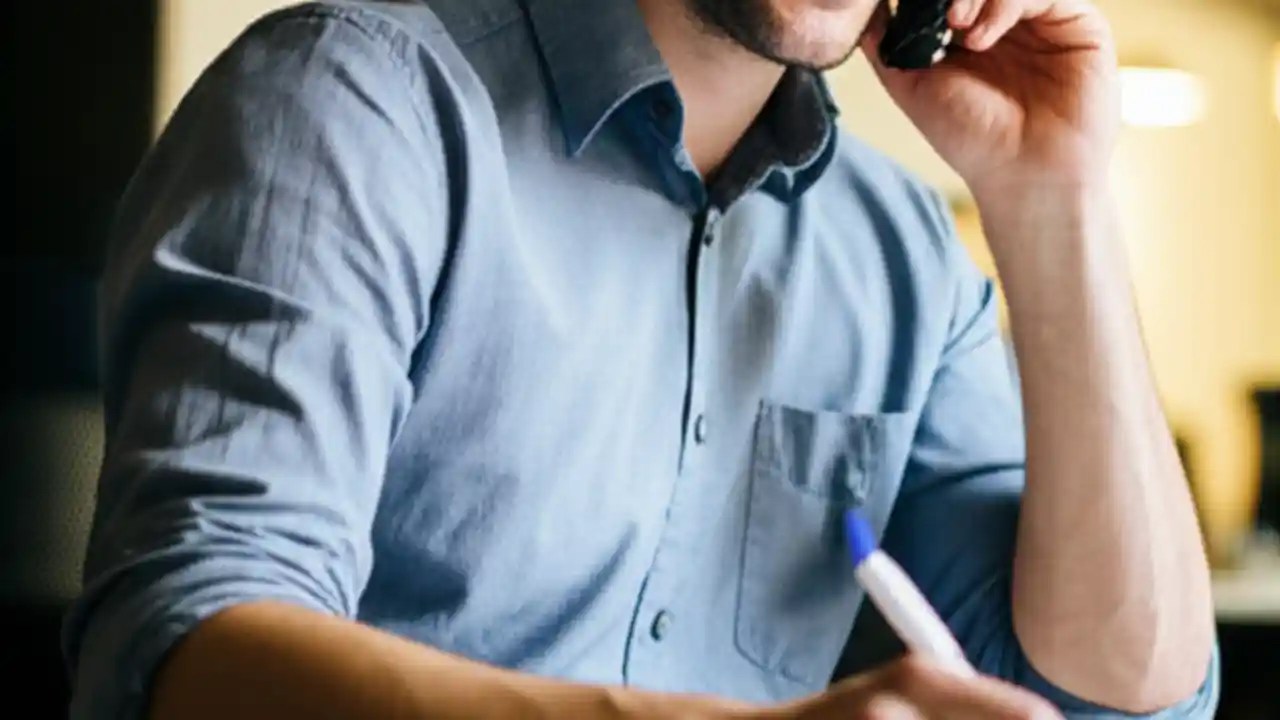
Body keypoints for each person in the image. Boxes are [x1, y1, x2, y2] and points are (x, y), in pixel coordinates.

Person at [64, 0, 1219, 717]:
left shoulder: (900, 249)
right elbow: (184, 654)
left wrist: (1049, 194)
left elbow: (1118, 690)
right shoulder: (353, 103)